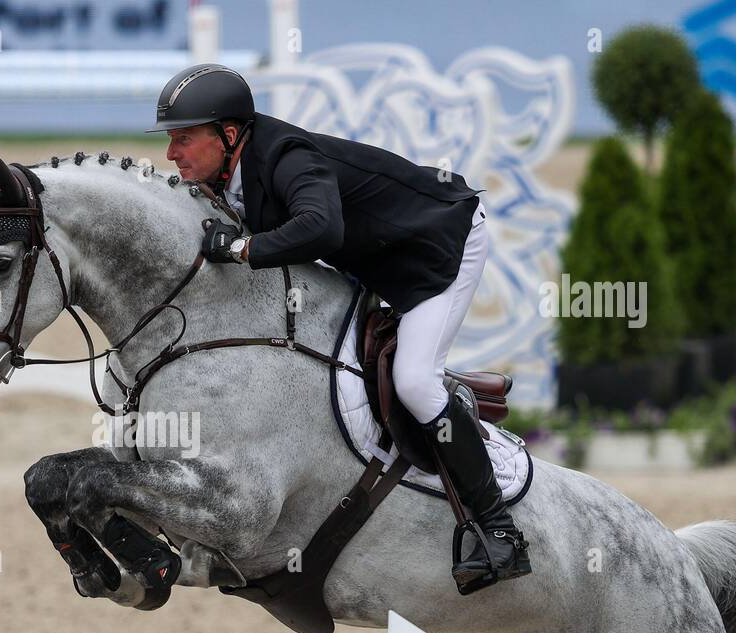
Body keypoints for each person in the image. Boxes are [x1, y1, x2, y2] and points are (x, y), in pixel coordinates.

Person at [147, 63, 530, 593]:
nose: (171, 154)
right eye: (171, 140)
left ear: (229, 135)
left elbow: (321, 227)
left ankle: (500, 533)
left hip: (441, 247)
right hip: (378, 261)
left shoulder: (287, 156)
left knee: (416, 381)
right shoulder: (224, 176)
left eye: (183, 139)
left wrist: (240, 249)